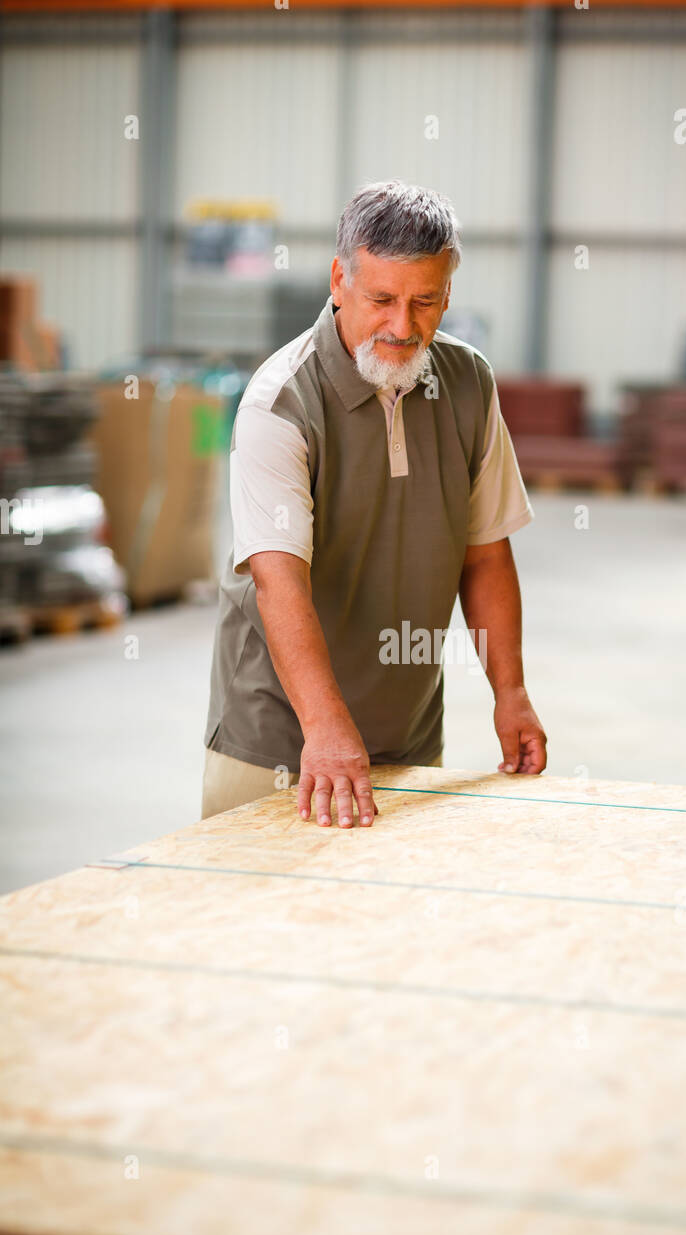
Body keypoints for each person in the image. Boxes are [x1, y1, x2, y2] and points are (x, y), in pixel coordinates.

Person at [202, 179, 547, 827]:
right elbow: (280, 583)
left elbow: (486, 555)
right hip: (283, 742)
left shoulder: (469, 383)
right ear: (339, 280)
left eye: (427, 302)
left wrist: (512, 692)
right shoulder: (281, 402)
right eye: (382, 299)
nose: (402, 326)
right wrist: (326, 729)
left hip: (410, 738)